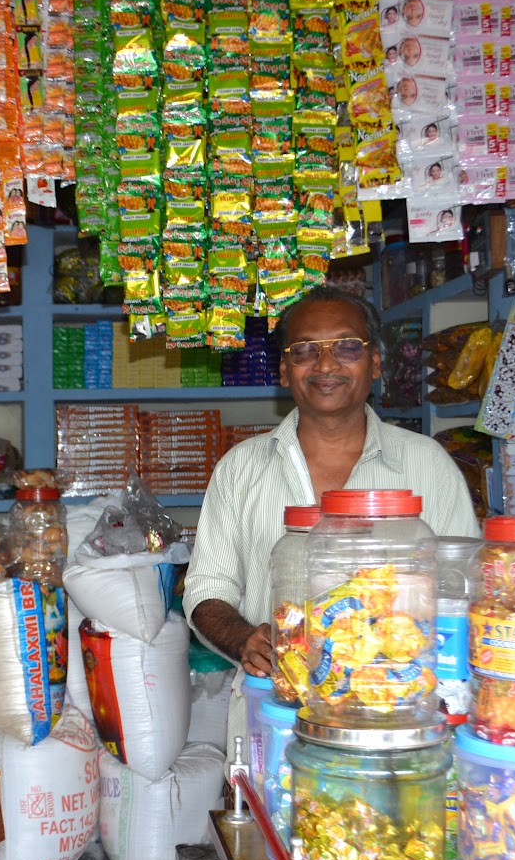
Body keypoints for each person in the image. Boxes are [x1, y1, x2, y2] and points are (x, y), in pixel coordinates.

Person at [185, 287, 480, 684]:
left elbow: (462, 589)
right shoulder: (239, 470)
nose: (326, 365)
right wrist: (243, 639)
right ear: (284, 370)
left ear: (375, 362)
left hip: (394, 708)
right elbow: (205, 589)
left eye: (347, 348)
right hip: (276, 710)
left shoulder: (429, 465)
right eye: (305, 350)